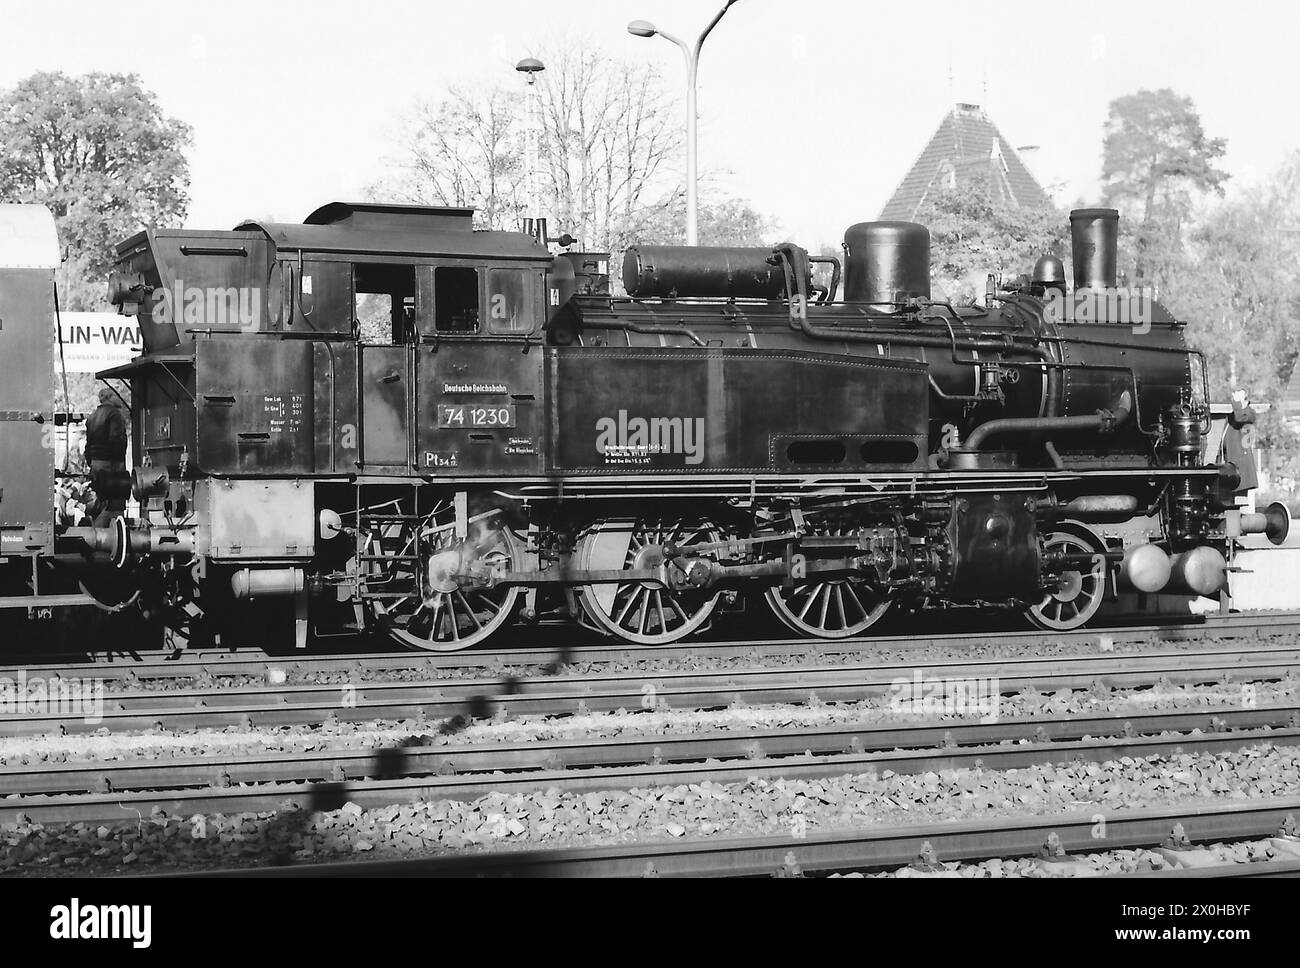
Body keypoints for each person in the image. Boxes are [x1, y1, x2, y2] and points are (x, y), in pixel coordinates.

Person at [84, 387, 128, 526]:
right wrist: (119, 464)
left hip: (96, 463)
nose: (118, 398)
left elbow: (88, 443)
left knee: (101, 500)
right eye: (115, 395)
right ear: (110, 397)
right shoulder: (114, 414)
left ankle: (97, 530)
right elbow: (116, 439)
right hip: (111, 464)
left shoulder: (92, 416)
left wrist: (91, 462)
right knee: (115, 505)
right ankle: (113, 531)